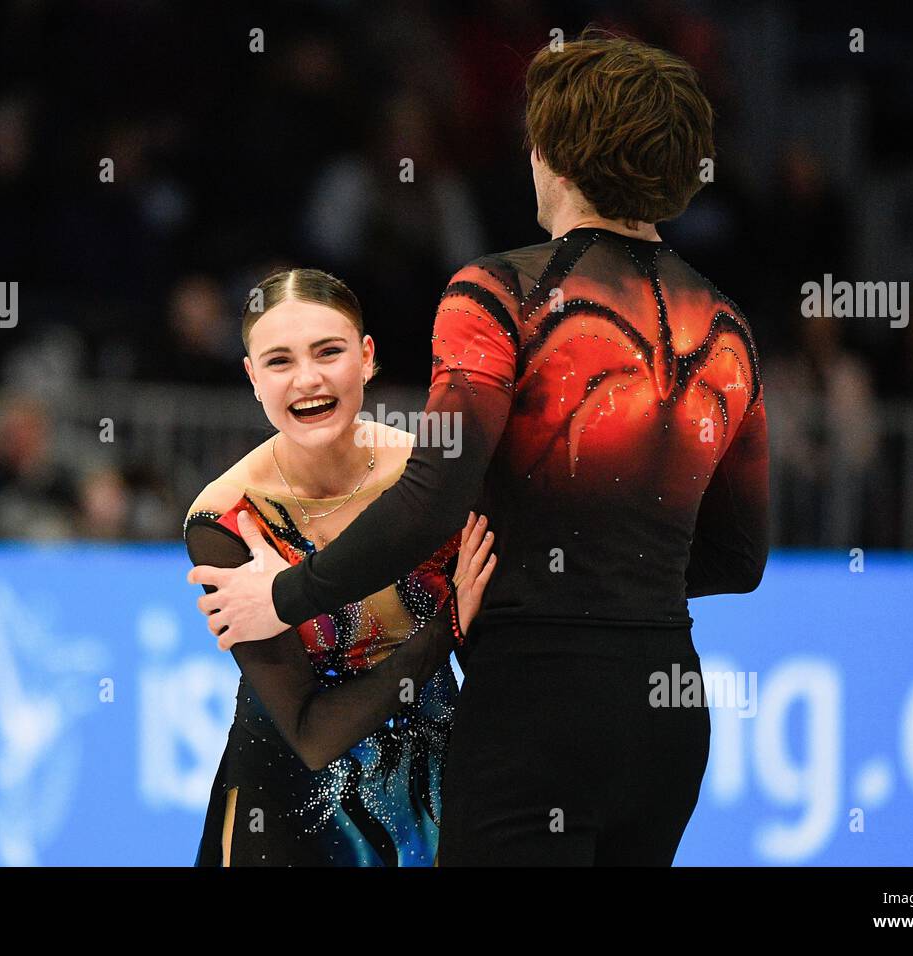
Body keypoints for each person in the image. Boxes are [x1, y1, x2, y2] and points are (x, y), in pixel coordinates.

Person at [190, 31, 770, 866]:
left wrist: (285, 596)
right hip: (668, 716)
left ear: (560, 153)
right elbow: (741, 559)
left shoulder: (501, 292)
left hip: (539, 709)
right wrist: (610, 575)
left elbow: (432, 499)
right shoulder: (725, 324)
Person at [183, 267, 496, 866]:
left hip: (432, 802)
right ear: (252, 378)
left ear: (367, 357)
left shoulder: (431, 481)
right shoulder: (227, 519)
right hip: (285, 814)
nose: (308, 379)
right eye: (279, 361)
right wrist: (445, 629)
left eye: (329, 352)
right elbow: (312, 733)